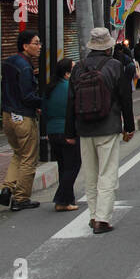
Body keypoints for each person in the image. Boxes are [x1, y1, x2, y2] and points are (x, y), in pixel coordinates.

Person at [66, 27, 136, 234]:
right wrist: (129, 127)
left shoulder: (78, 67)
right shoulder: (115, 66)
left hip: (84, 128)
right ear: (108, 47)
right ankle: (102, 219)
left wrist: (69, 132)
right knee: (107, 173)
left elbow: (70, 102)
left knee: (91, 174)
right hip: (109, 126)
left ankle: (93, 215)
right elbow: (125, 99)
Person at [0, 30, 43, 212]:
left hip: (8, 115)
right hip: (23, 116)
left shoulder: (9, 62)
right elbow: (27, 96)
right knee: (28, 158)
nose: (39, 47)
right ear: (25, 46)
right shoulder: (24, 67)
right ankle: (21, 197)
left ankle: (7, 187)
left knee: (18, 153)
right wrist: (43, 102)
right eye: (36, 43)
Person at [45, 58, 81, 212]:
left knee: (63, 166)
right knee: (73, 165)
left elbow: (44, 109)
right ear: (67, 73)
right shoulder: (70, 88)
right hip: (67, 131)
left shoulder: (50, 88)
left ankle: (68, 198)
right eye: (73, 69)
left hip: (52, 131)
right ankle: (61, 199)